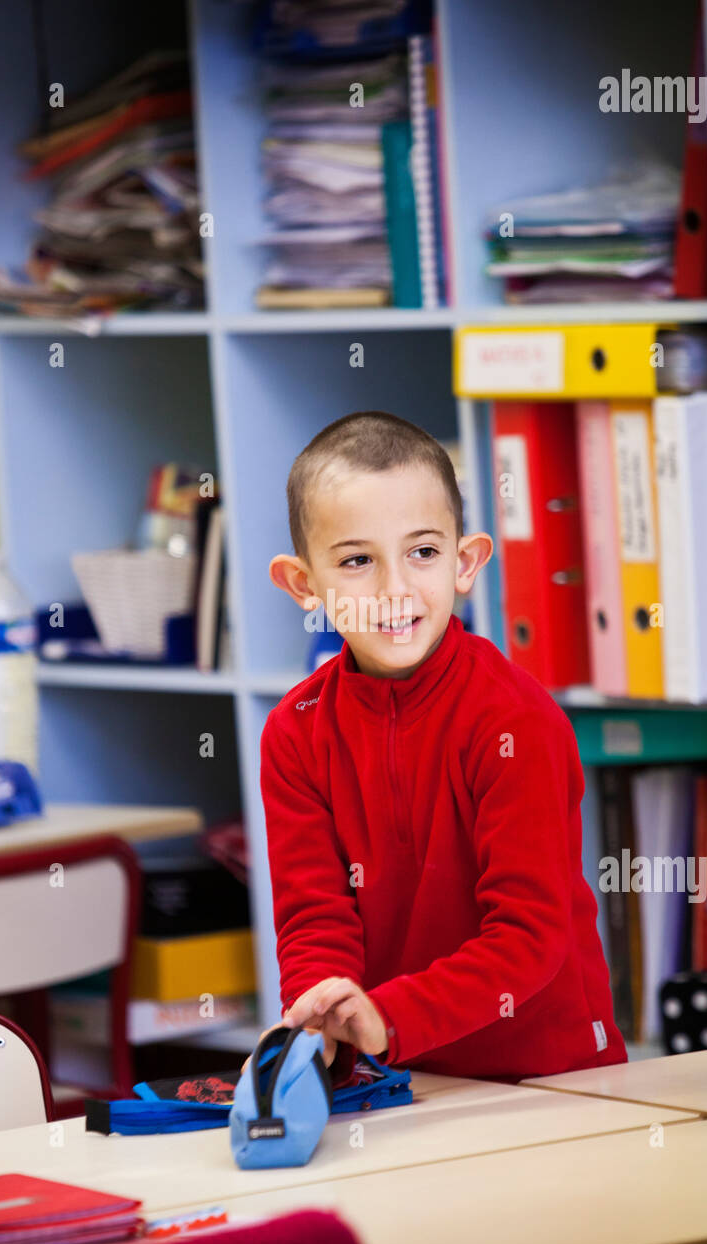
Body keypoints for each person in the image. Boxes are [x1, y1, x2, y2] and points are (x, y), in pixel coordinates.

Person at [246, 409, 627, 1087]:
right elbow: (314, 919)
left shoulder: (516, 721)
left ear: (466, 561)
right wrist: (319, 1011)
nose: (395, 590)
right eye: (358, 561)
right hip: (405, 1082)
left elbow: (528, 938)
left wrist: (385, 1019)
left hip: (555, 1079)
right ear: (303, 584)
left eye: (422, 552)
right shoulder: (294, 733)